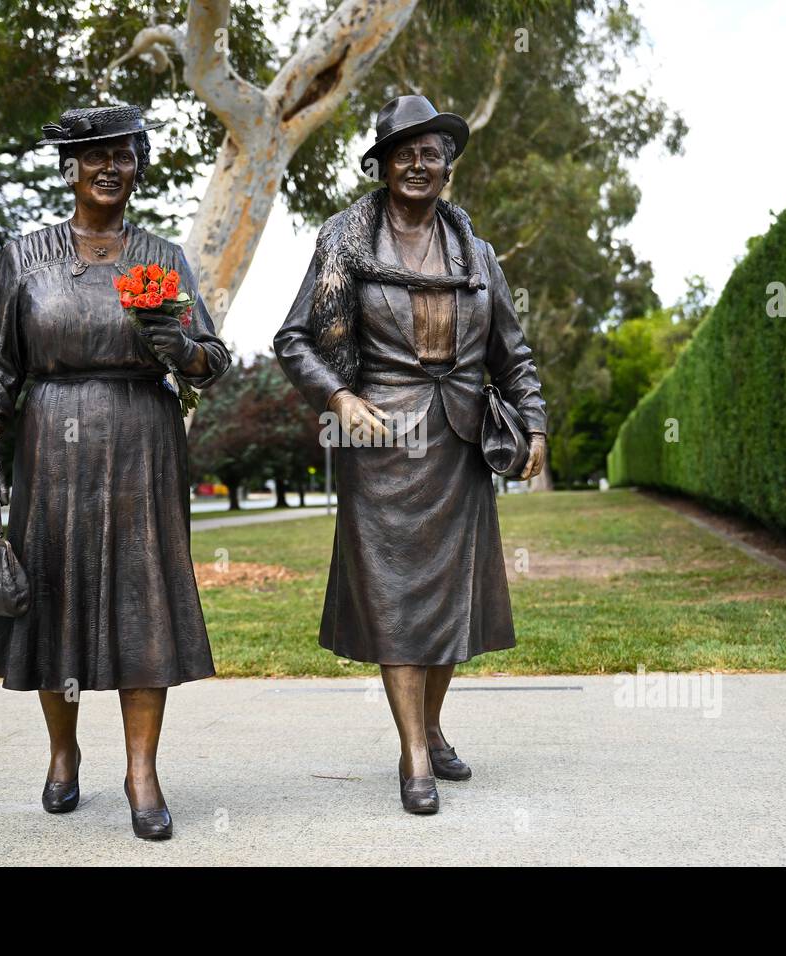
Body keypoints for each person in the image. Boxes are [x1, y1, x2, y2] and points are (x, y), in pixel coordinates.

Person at [274, 95, 548, 814]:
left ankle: (430, 725)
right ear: (383, 164)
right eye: (405, 152)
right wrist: (338, 397)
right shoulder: (344, 241)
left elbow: (512, 354)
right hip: (382, 445)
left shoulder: (478, 254)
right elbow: (294, 337)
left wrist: (538, 428)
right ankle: (414, 755)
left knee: (453, 601)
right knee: (397, 600)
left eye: (432, 152)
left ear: (448, 166)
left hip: (459, 443)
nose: (419, 164)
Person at [0, 104, 231, 840]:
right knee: (53, 596)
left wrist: (176, 345)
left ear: (140, 165)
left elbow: (212, 362)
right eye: (93, 156)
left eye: (123, 154)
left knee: (142, 600)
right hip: (50, 442)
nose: (109, 167)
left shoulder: (162, 258)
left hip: (142, 442)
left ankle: (141, 770)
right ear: (70, 168)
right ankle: (62, 753)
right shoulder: (26, 255)